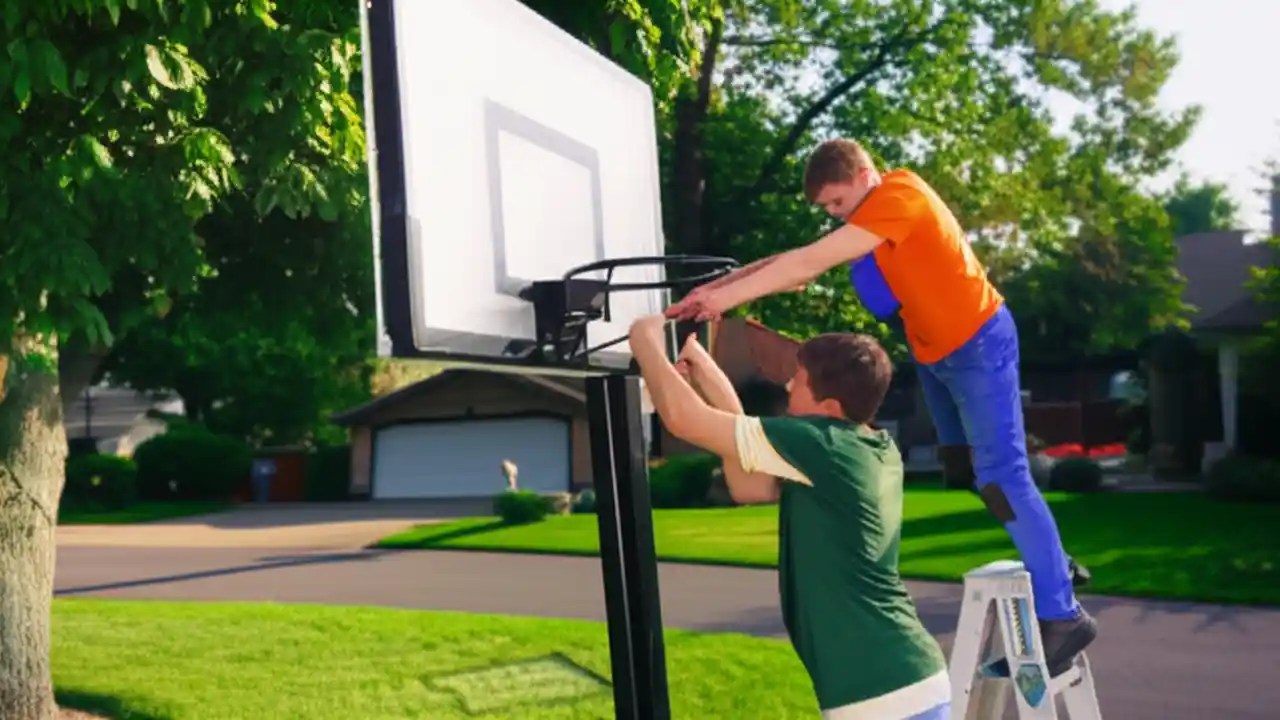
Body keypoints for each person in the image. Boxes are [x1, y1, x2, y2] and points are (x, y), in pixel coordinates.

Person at [664, 138, 1097, 676]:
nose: (832, 215)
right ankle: (1050, 560)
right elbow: (791, 265)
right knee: (963, 470)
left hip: (979, 345)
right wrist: (713, 290)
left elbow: (810, 260)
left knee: (1001, 476)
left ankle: (1063, 614)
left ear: (865, 175)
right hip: (937, 354)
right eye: (826, 209)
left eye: (836, 204)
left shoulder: (900, 195)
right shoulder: (870, 222)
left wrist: (720, 302)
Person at [628, 315, 950, 719]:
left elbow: (682, 419)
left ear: (828, 407)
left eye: (798, 380)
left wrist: (644, 339)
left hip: (880, 689)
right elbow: (750, 484)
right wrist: (705, 370)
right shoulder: (863, 448)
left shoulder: (822, 445)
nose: (787, 386)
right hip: (900, 675)